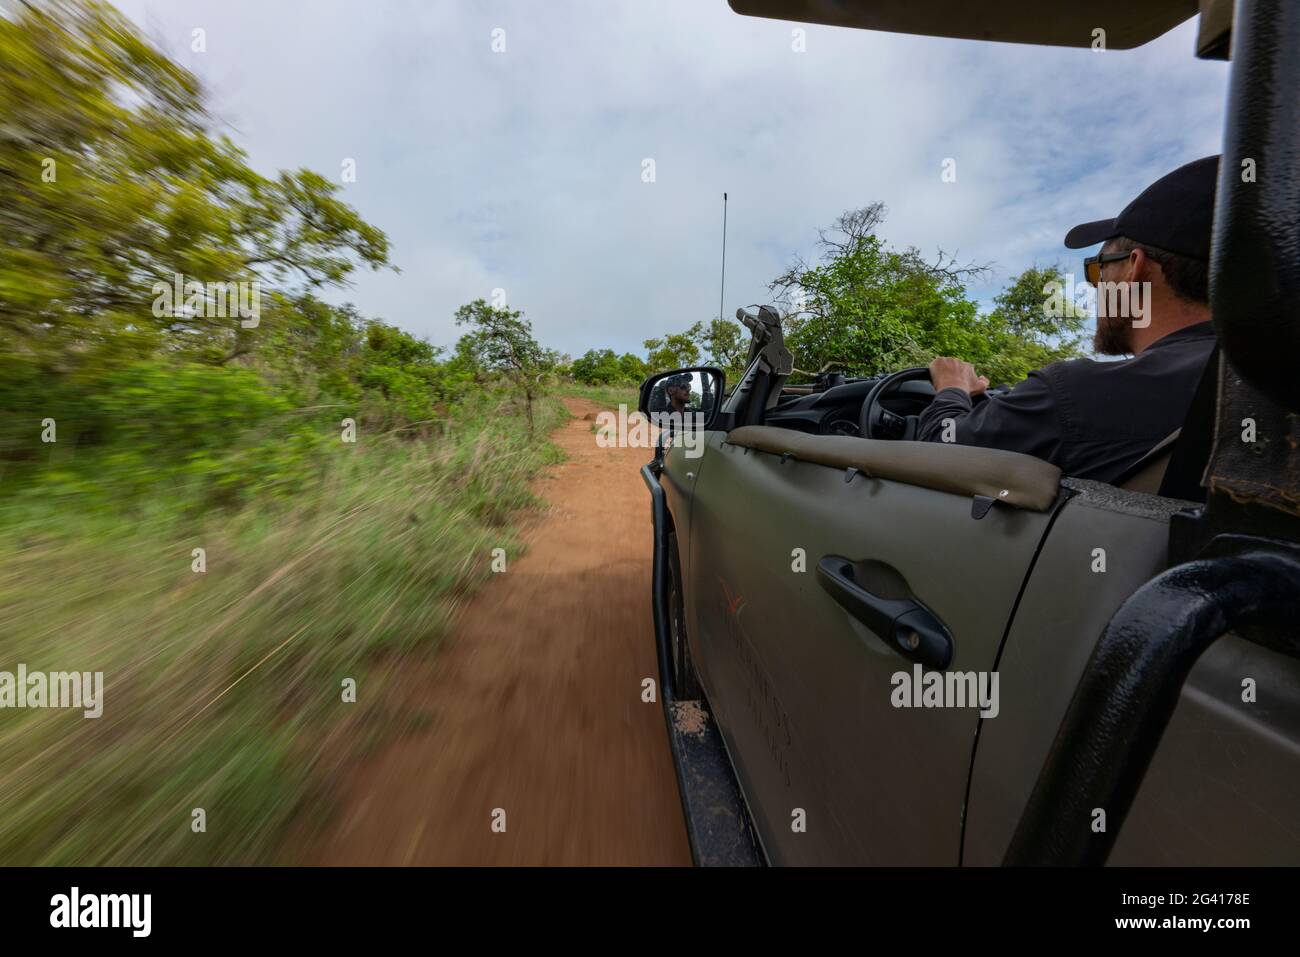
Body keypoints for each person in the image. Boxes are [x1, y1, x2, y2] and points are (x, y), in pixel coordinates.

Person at [917, 156, 1220, 484]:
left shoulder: (1074, 398)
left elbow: (938, 457)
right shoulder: (1264, 384)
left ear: (1134, 267)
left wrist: (951, 388)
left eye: (1098, 269)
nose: (1095, 288)